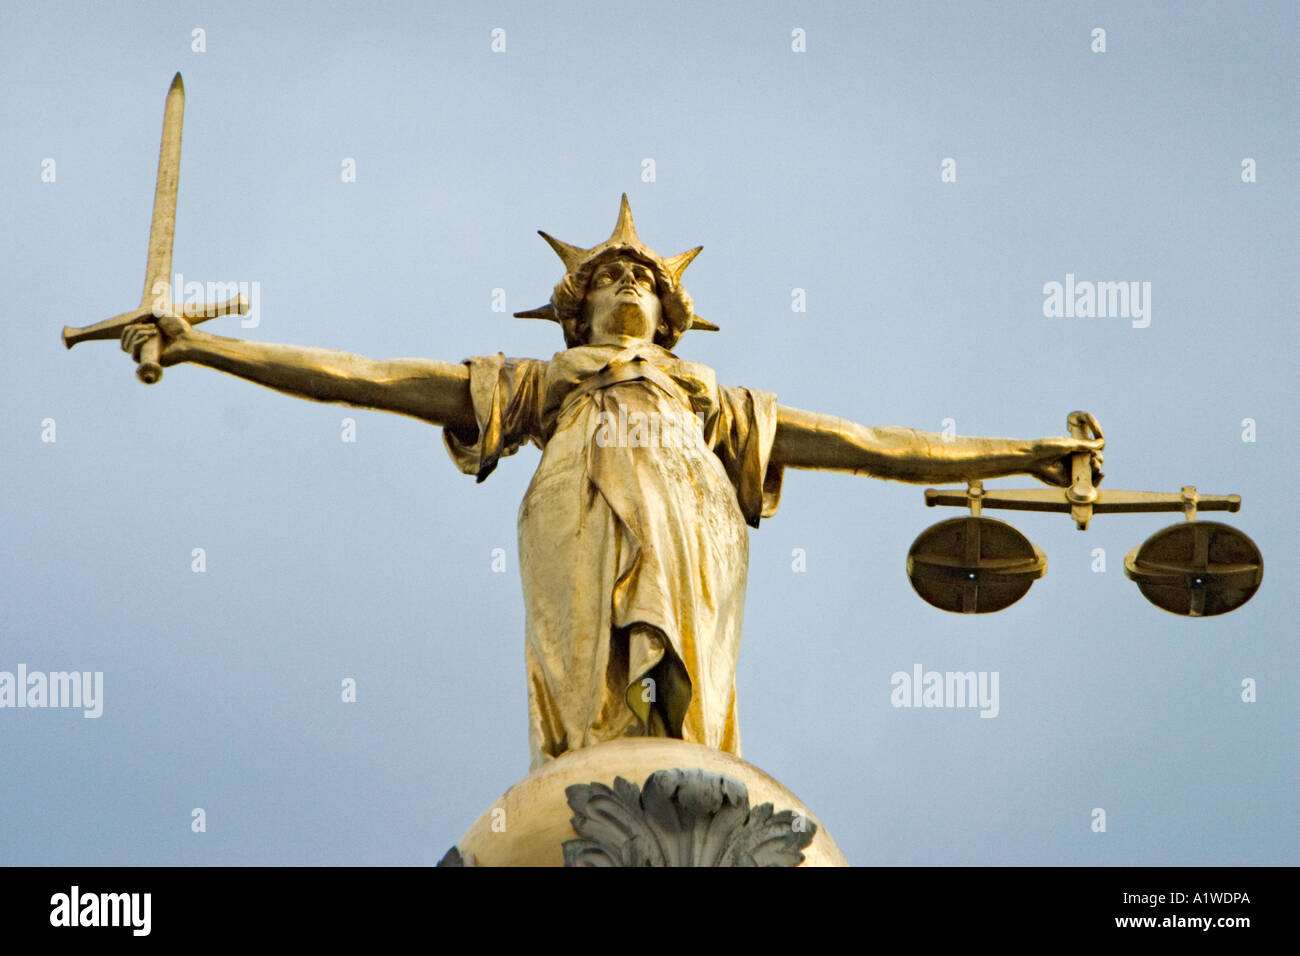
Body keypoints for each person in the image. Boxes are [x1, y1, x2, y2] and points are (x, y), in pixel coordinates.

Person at [122, 196, 1103, 770]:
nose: (627, 286)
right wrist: (208, 349)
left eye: (642, 280)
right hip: (576, 501)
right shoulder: (543, 386)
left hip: (690, 512)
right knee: (596, 689)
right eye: (608, 280)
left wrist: (1020, 453)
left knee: (683, 694)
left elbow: (869, 441)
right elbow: (373, 378)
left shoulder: (709, 399)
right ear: (578, 309)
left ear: (670, 315)